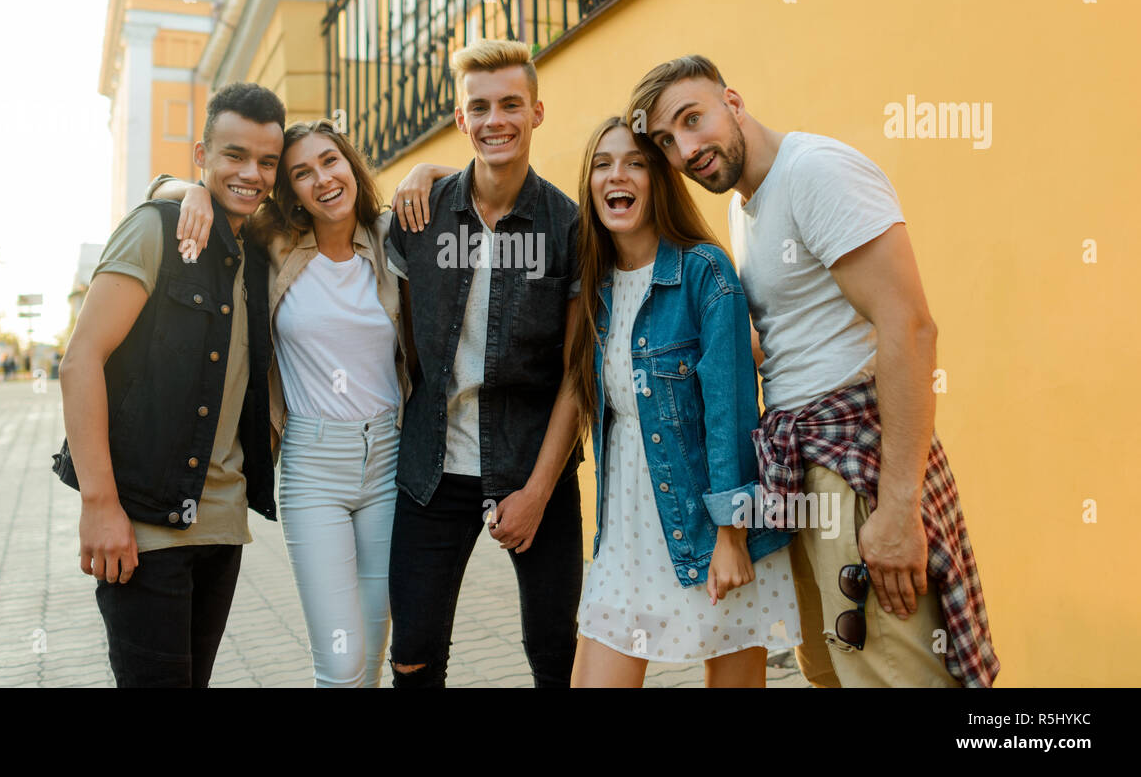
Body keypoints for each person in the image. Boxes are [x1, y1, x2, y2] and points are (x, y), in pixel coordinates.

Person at [627, 55, 999, 687]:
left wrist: (898, 509)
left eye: (693, 120)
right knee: (832, 670)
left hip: (855, 468)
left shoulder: (815, 172)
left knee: (889, 673)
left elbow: (909, 327)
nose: (686, 149)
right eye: (666, 141)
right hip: (800, 472)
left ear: (733, 102)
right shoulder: (747, 209)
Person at [148, 118, 422, 687]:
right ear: (290, 192)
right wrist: (194, 190)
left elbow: (475, 194)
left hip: (389, 461)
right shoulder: (269, 245)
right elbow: (158, 190)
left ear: (350, 163)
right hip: (313, 467)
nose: (322, 179)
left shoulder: (391, 236)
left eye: (330, 161)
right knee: (341, 661)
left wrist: (425, 168)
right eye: (301, 173)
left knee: (371, 651)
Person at [53, 81, 285, 687]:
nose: (251, 174)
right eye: (234, 155)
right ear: (201, 155)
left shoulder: (253, 251)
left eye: (267, 161)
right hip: (143, 524)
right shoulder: (156, 230)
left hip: (221, 525)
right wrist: (99, 504)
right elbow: (81, 362)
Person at [564, 116, 800, 687]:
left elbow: (731, 414)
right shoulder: (594, 285)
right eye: (602, 163)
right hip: (624, 530)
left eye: (635, 162)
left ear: (658, 180)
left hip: (710, 521)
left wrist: (731, 534)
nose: (616, 175)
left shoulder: (704, 273)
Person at [384, 39, 583, 687]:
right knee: (413, 654)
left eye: (510, 104)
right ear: (461, 119)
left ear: (537, 112)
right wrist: (421, 172)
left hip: (534, 464)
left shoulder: (567, 228)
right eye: (480, 107)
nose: (495, 119)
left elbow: (579, 374)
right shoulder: (421, 214)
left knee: (555, 650)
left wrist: (539, 492)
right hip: (431, 468)